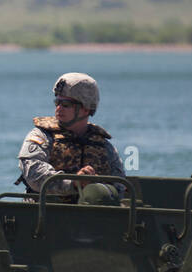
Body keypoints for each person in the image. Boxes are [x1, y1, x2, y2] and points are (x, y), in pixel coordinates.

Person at [18, 72, 126, 205]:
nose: (58, 108)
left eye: (66, 104)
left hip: (91, 217)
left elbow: (119, 186)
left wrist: (96, 185)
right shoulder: (42, 136)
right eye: (57, 102)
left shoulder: (103, 145)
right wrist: (74, 183)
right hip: (43, 214)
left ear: (86, 109)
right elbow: (34, 174)